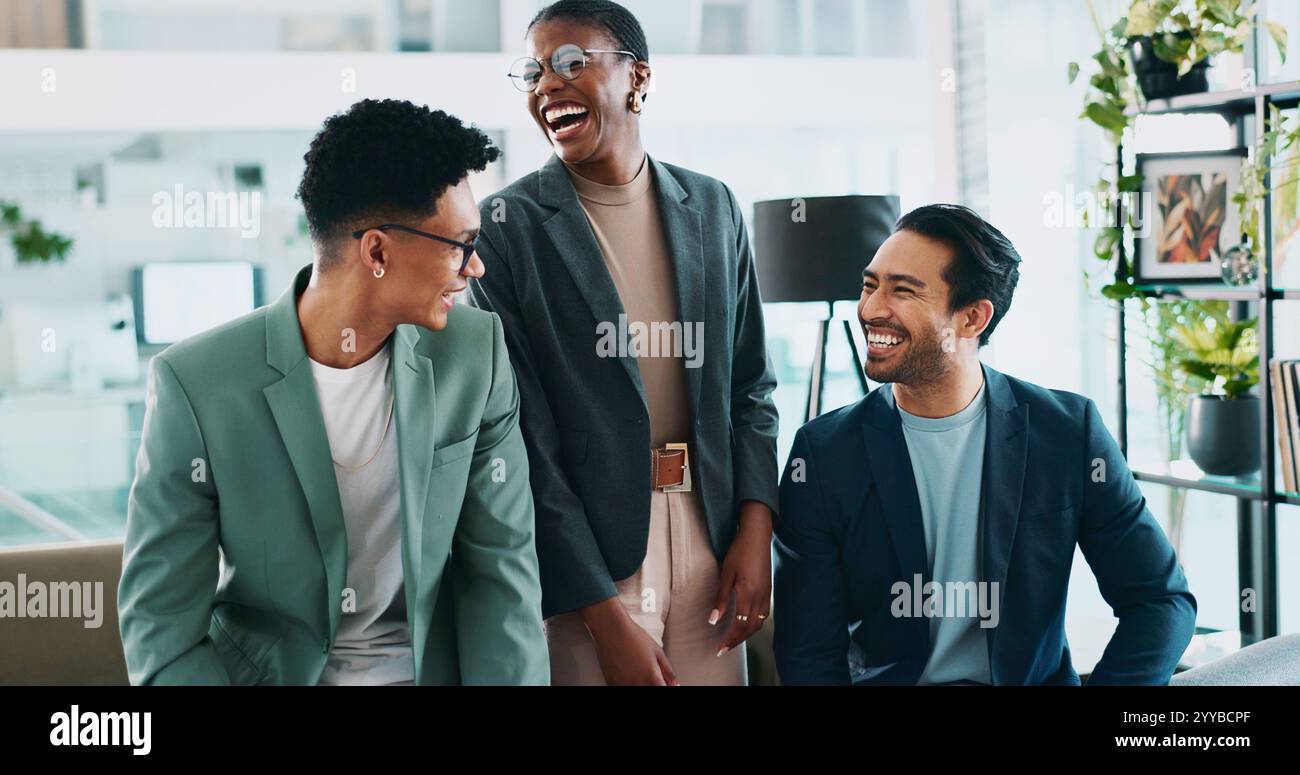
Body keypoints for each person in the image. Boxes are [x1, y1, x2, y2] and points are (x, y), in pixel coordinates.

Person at [118, 98, 549, 685]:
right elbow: (162, 623)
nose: (474, 269)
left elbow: (503, 574)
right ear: (377, 251)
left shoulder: (475, 355)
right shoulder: (196, 385)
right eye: (461, 245)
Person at [469, 0, 779, 685]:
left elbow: (751, 386)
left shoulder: (715, 205)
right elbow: (525, 439)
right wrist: (603, 616)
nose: (547, 85)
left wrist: (755, 529)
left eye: (572, 62)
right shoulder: (507, 227)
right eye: (532, 72)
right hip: (594, 563)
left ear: (638, 78)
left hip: (712, 535)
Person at [774, 203, 1196, 685]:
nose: (871, 309)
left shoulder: (1067, 433)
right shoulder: (824, 454)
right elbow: (808, 651)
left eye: (902, 291)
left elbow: (1161, 601)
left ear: (972, 318)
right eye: (870, 285)